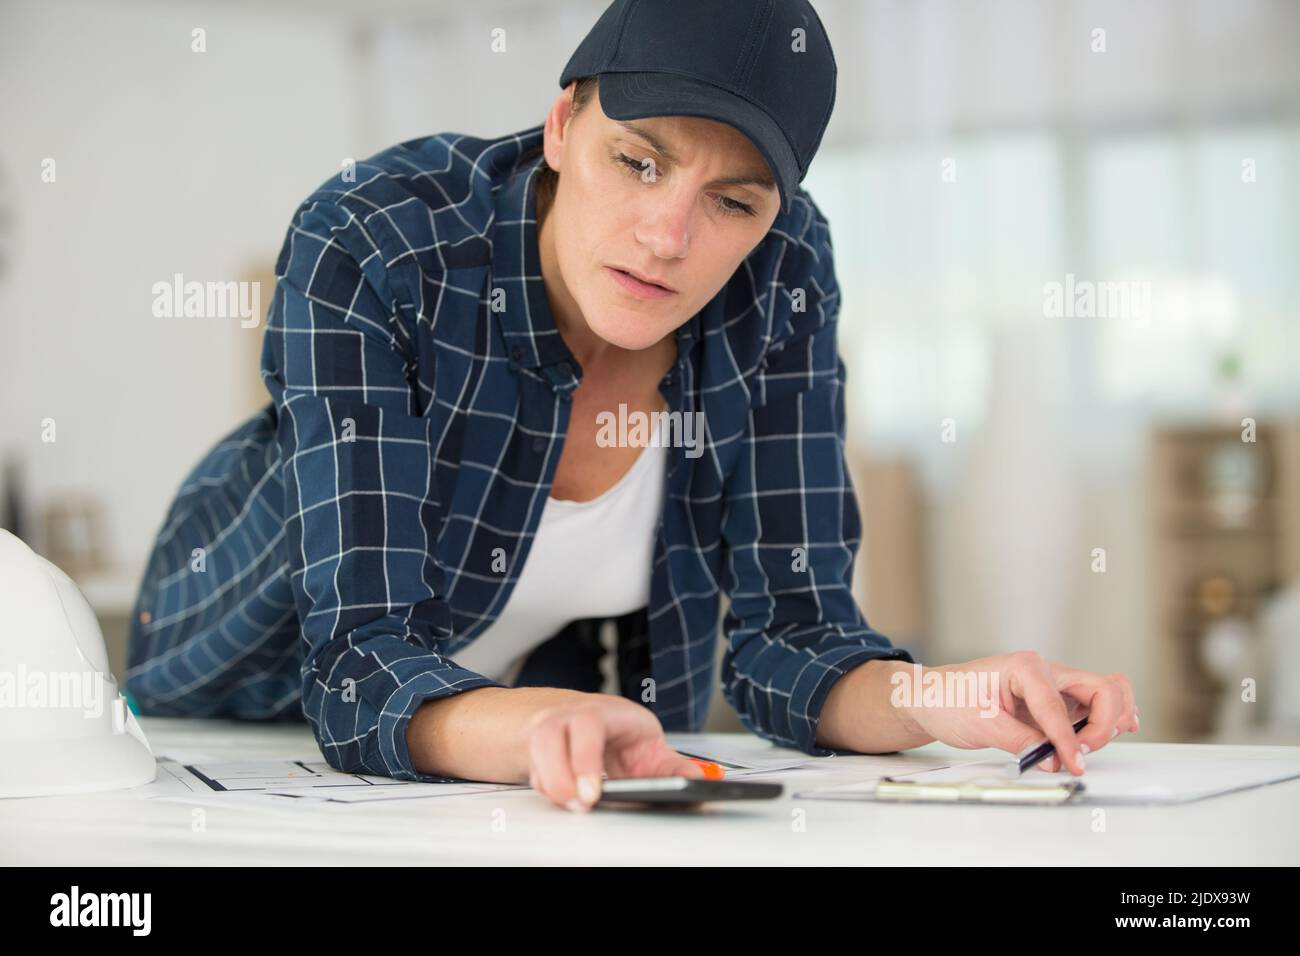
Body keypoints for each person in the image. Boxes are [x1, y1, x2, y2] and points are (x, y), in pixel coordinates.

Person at [126, 0, 1137, 813]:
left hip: (499, 737)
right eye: (638, 161)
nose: (667, 235)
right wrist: (533, 728)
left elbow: (796, 635)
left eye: (731, 201)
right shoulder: (377, 242)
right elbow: (352, 661)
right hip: (233, 715)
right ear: (564, 125)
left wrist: (943, 696)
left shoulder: (782, 273)